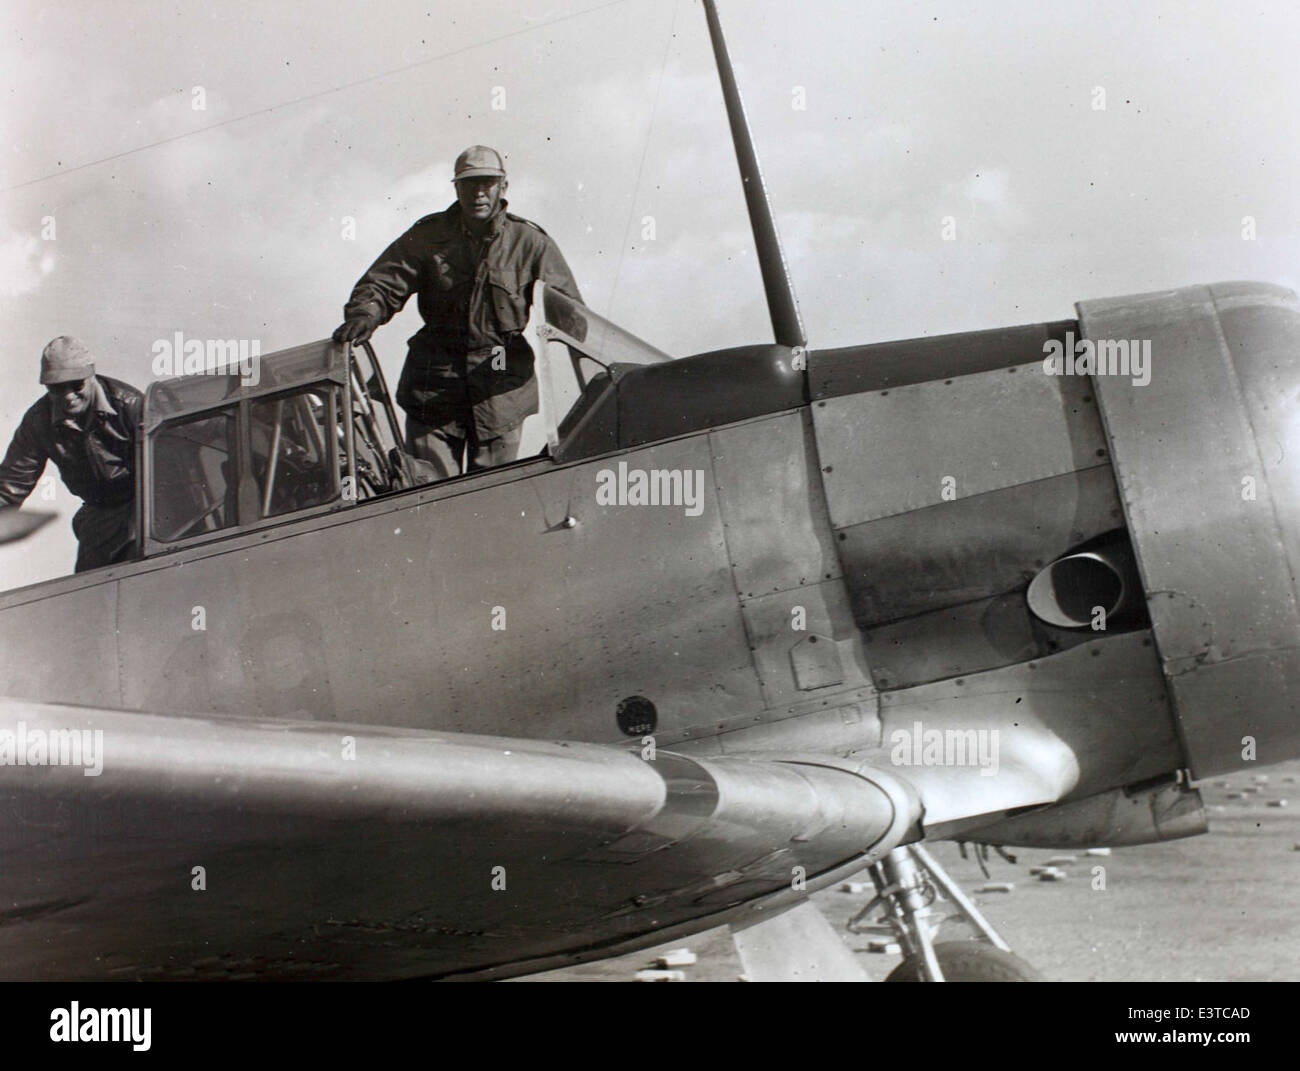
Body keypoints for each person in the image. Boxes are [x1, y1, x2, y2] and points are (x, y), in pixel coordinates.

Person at [334, 145, 582, 477]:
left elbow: (570, 311)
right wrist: (365, 314)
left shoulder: (530, 243)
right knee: (430, 497)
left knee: (492, 500)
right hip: (434, 388)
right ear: (456, 188)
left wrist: (569, 328)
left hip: (499, 388)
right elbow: (383, 282)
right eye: (469, 184)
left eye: (487, 183)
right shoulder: (427, 237)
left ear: (503, 187)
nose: (478, 193)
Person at [0, 337, 143, 572]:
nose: (67, 396)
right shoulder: (38, 422)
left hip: (141, 505)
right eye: (56, 388)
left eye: (76, 384)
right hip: (99, 514)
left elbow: (167, 470)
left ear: (91, 375)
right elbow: (9, 488)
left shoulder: (130, 405)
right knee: (91, 593)